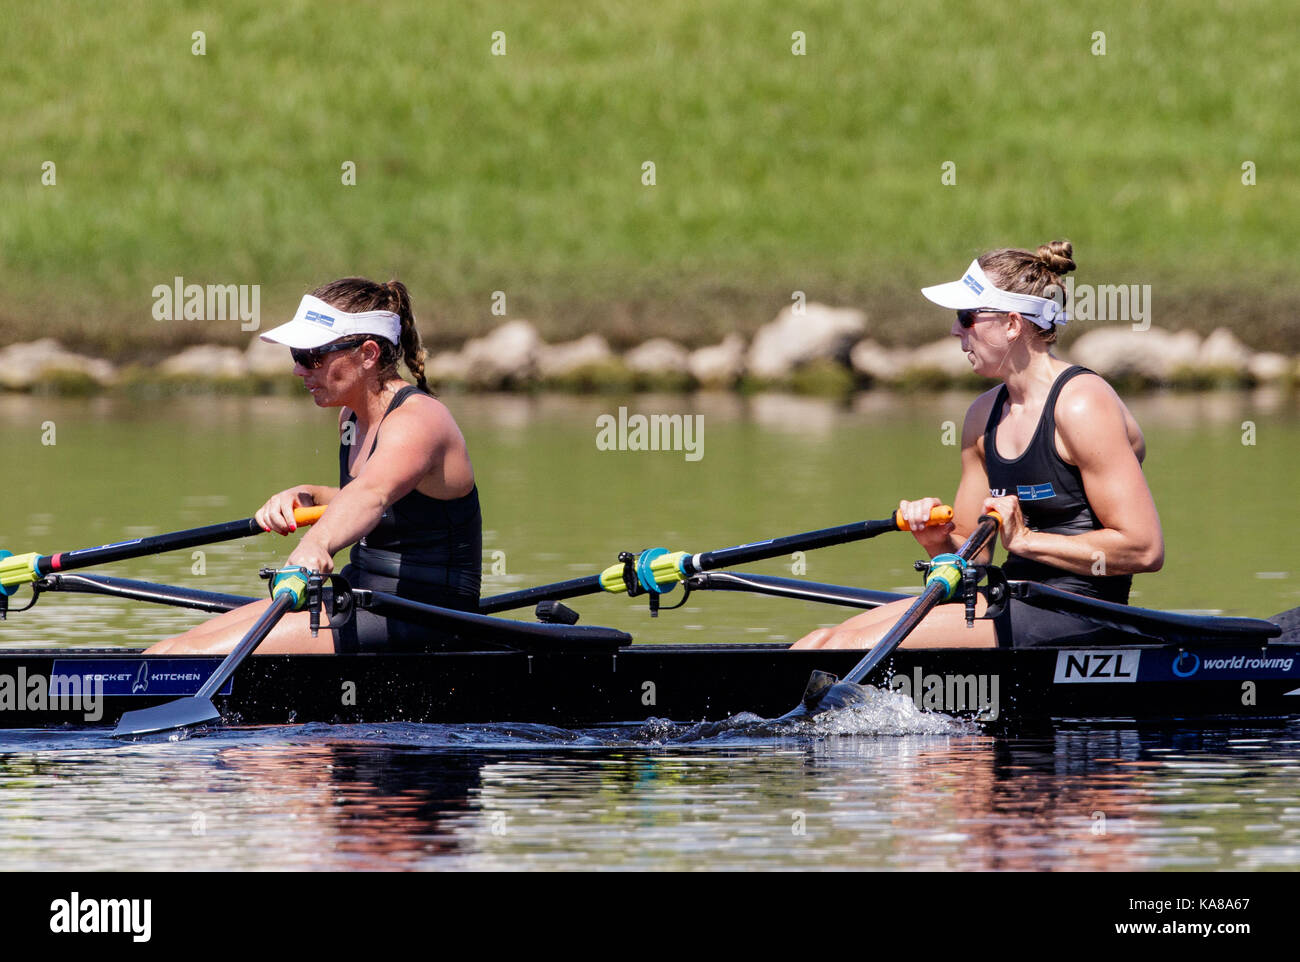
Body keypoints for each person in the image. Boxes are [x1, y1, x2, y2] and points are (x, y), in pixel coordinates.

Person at [792, 241, 1163, 650]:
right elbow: (974, 551)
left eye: (967, 318)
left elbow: (1144, 549)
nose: (955, 330)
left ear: (1011, 324)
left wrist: (1025, 540)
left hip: (1083, 616)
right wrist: (936, 539)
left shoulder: (1082, 404)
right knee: (818, 642)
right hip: (1013, 602)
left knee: (846, 649)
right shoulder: (982, 416)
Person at [147, 278, 481, 655]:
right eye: (296, 354)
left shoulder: (417, 421)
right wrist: (308, 495)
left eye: (313, 356)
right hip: (359, 595)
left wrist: (316, 544)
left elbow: (373, 495)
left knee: (189, 658)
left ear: (368, 354)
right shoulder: (352, 419)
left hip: (428, 619)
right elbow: (386, 501)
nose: (298, 370)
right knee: (170, 648)